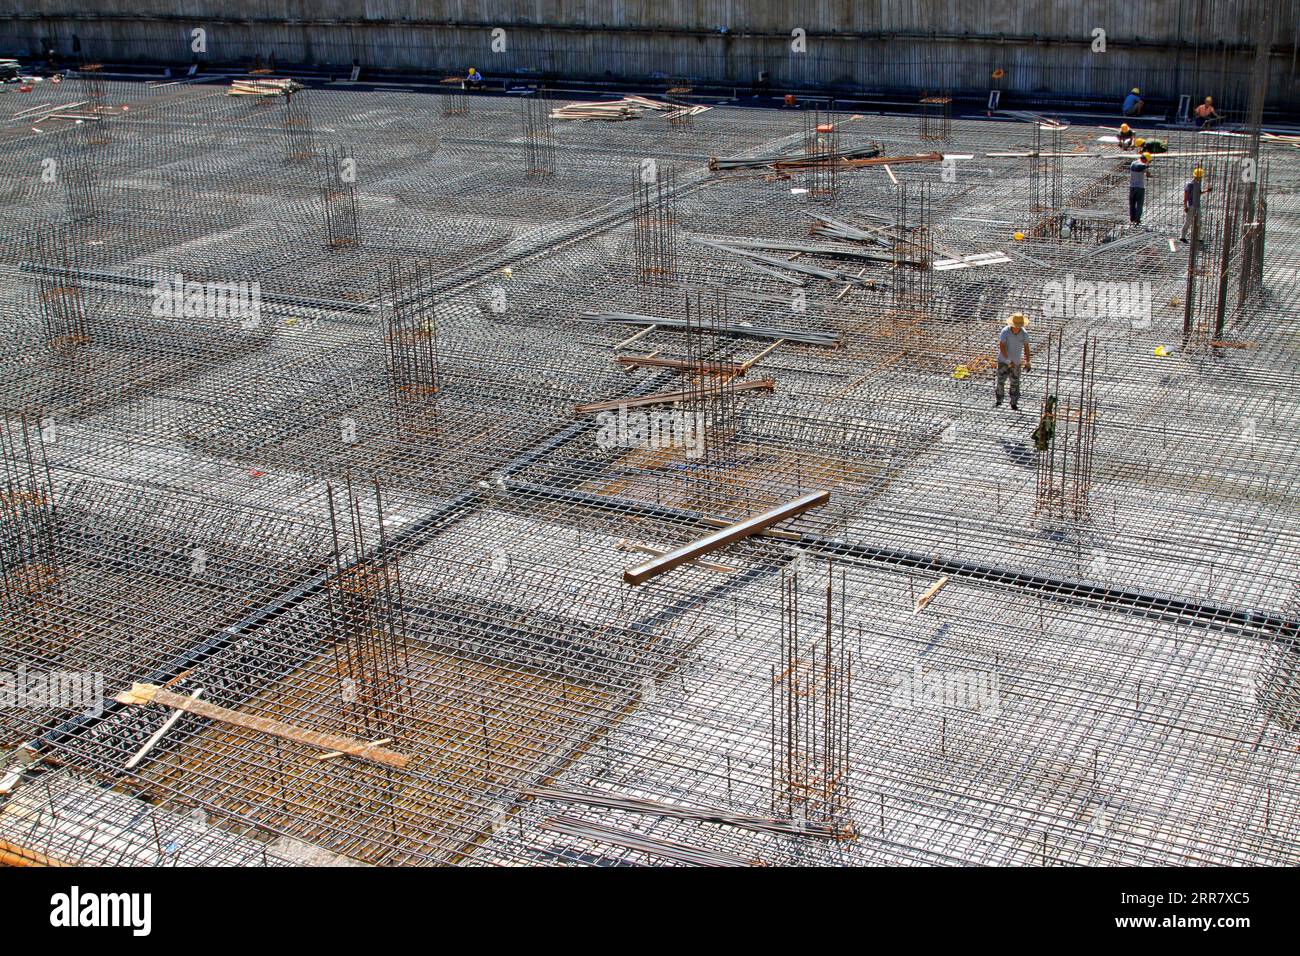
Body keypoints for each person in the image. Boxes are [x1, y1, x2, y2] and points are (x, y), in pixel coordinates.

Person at [995, 313, 1031, 411]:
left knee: (1015, 383)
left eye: (1019, 327)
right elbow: (1001, 346)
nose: (1017, 328)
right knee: (1001, 381)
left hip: (1016, 363)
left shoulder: (1024, 333)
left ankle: (1014, 403)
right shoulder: (1005, 331)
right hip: (1004, 362)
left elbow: (1026, 348)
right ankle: (999, 400)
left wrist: (1028, 361)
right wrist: (1007, 360)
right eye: (1015, 326)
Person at [1180, 167, 1213, 242]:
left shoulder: (1198, 184)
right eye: (1200, 176)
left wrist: (1206, 191)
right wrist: (1185, 206)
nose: (1201, 178)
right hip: (1191, 206)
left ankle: (1197, 238)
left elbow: (1198, 193)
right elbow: (1185, 196)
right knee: (1188, 222)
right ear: (1197, 176)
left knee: (1199, 222)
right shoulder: (1190, 185)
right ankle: (1182, 236)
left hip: (1198, 206)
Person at [1128, 151, 1152, 225]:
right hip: (1140, 188)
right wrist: (1147, 167)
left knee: (1132, 204)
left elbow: (1139, 168)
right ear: (1145, 159)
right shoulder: (1141, 165)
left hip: (1132, 187)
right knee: (1139, 205)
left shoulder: (1133, 163)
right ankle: (1137, 219)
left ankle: (1132, 218)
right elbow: (1144, 170)